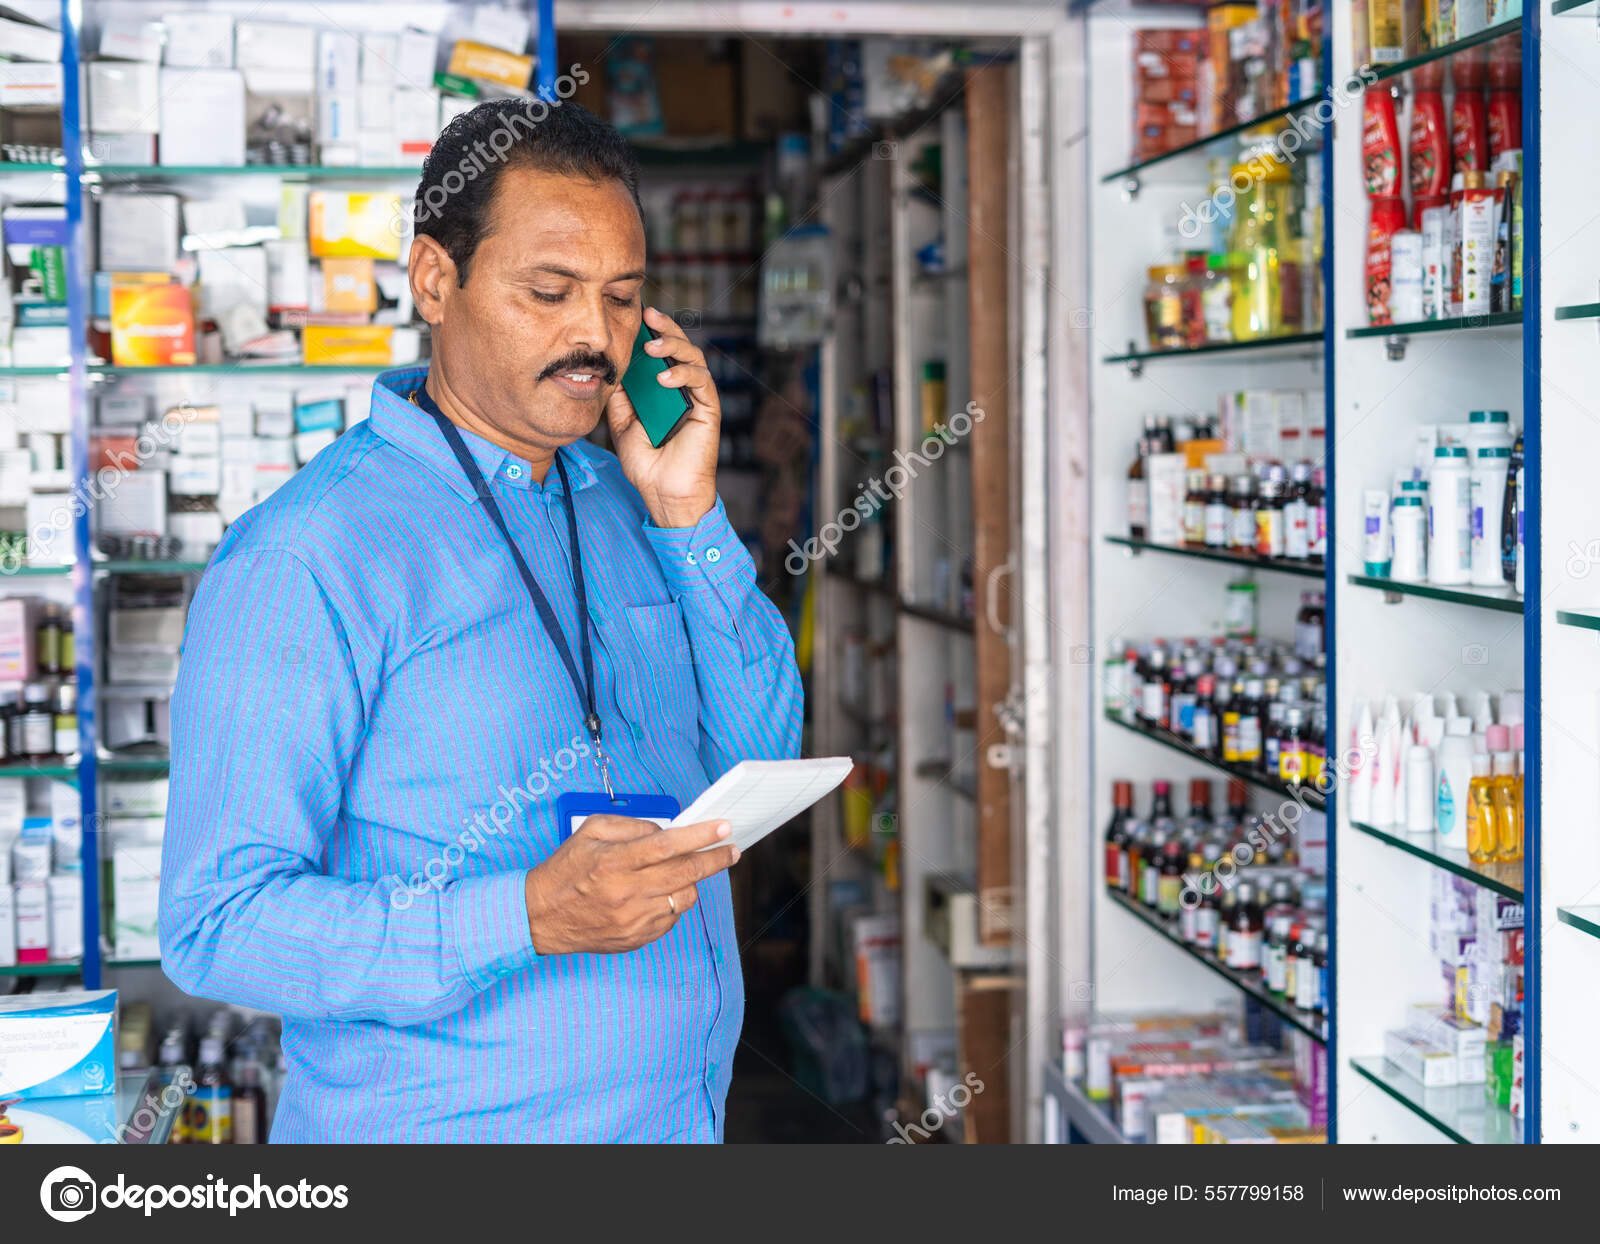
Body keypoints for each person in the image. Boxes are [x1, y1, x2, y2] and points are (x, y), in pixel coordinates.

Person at [159, 100, 804, 1142]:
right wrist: (527, 913)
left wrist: (689, 513)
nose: (593, 334)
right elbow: (217, 924)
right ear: (433, 278)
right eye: (548, 292)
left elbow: (757, 756)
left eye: (622, 297)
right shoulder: (307, 554)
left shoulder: (627, 499)